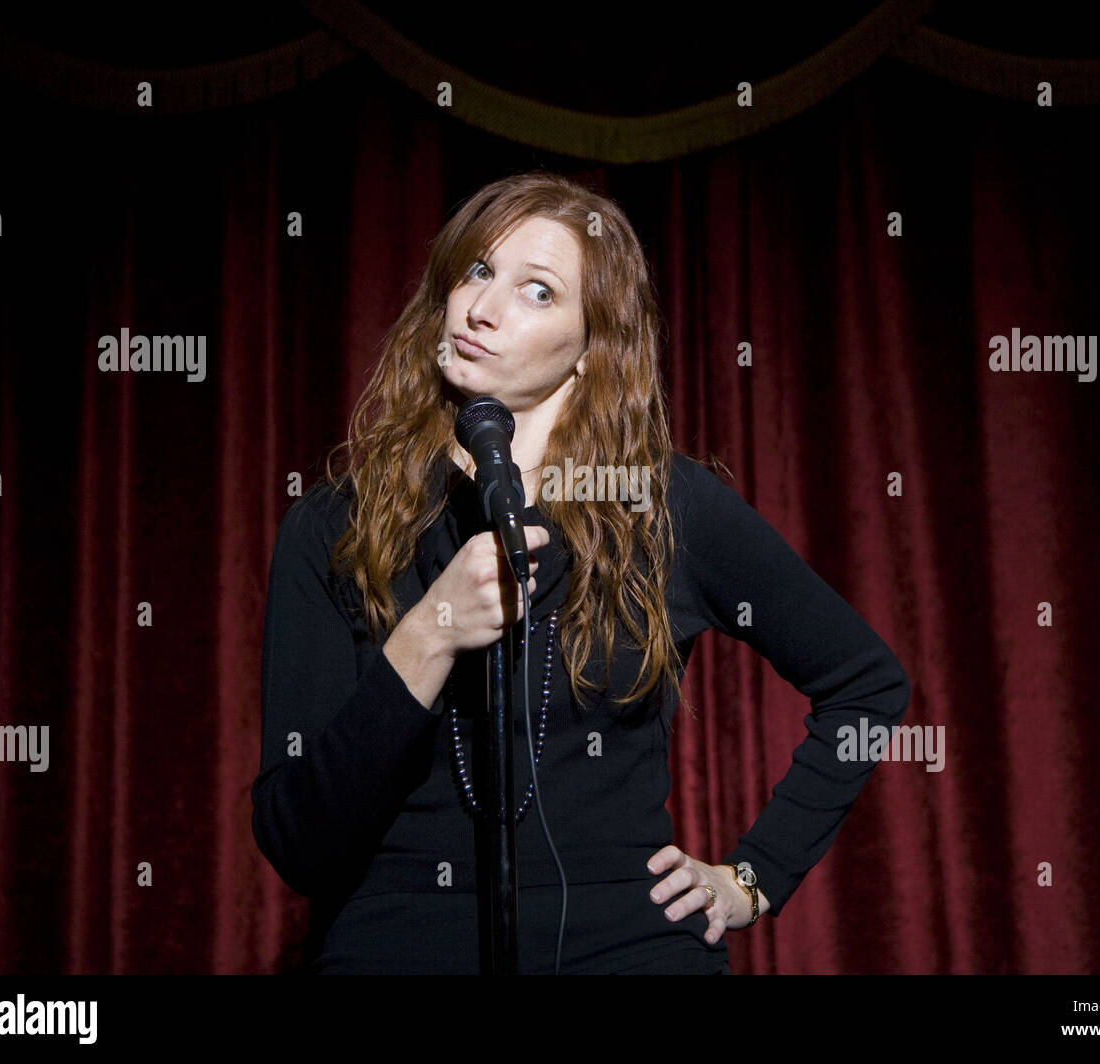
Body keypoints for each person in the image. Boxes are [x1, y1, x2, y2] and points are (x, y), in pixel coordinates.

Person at [251, 172, 910, 974]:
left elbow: (867, 683)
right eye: (476, 271)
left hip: (628, 951)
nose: (483, 308)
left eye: (537, 291)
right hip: (398, 946)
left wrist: (753, 878)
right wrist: (431, 632)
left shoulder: (664, 507)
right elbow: (298, 844)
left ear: (593, 347)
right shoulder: (332, 526)